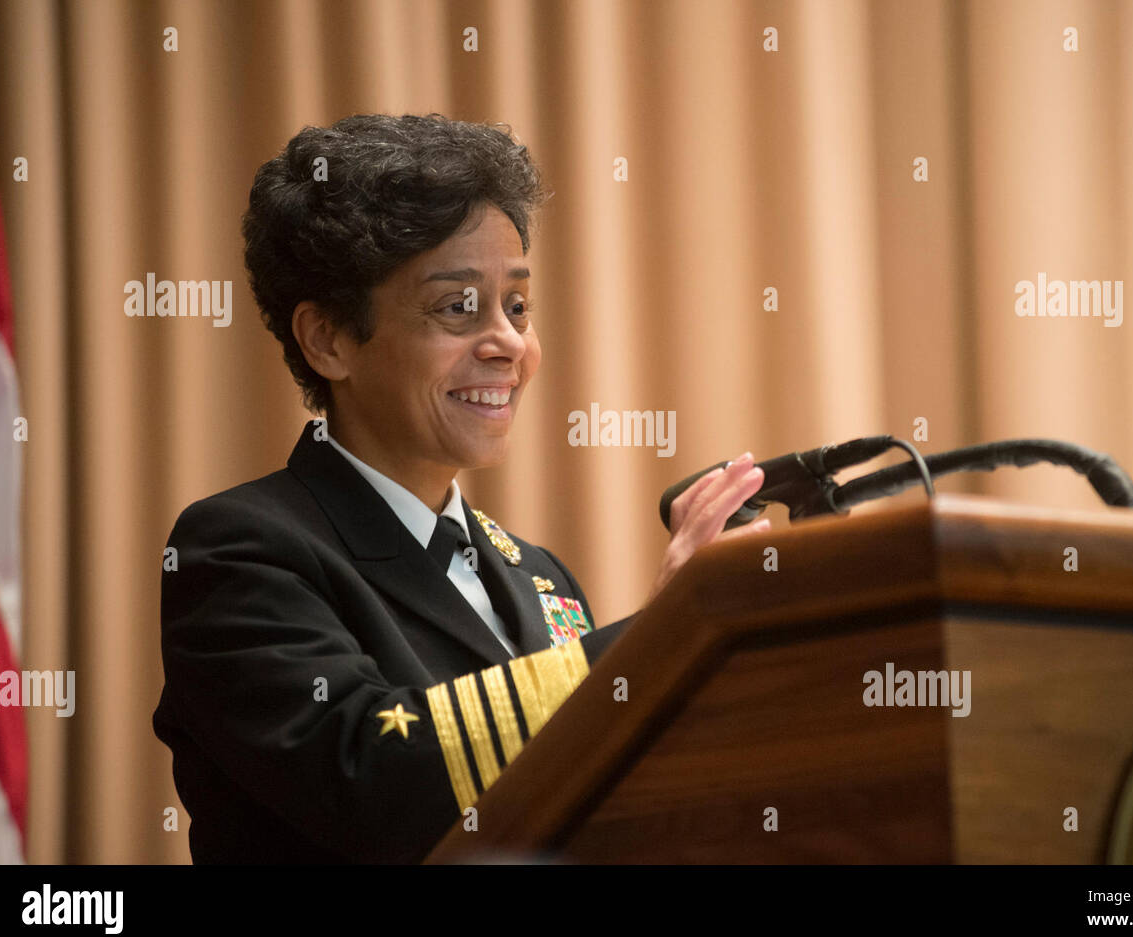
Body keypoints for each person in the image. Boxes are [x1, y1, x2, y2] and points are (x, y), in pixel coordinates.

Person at [152, 113, 770, 863]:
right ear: (330, 339)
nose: (508, 343)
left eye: (517, 306)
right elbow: (378, 782)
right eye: (457, 308)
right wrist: (667, 635)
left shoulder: (539, 575)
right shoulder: (241, 547)